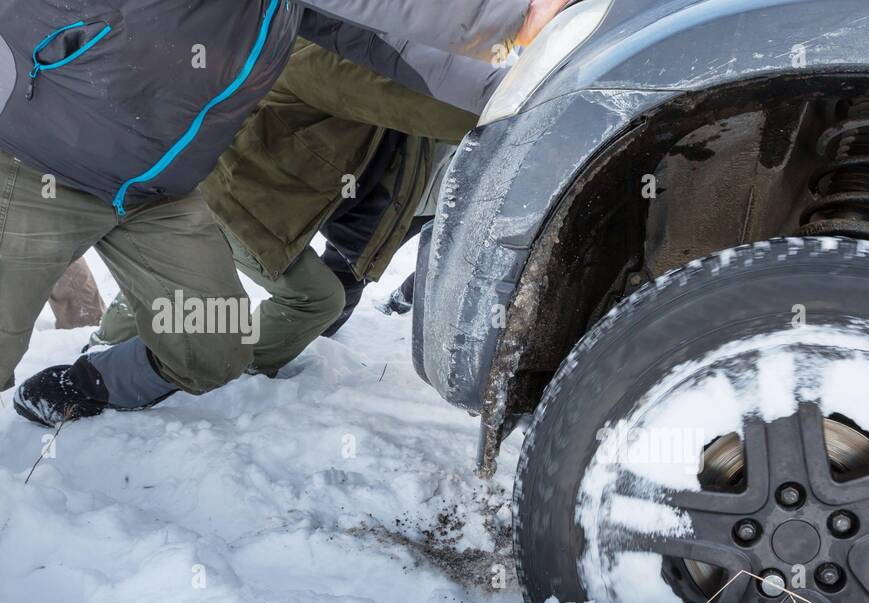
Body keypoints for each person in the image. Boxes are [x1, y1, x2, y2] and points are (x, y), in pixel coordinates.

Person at [0, 0, 567, 425]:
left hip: (159, 195)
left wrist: (536, 90)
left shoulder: (287, 16)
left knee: (213, 347)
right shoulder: (310, 53)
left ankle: (100, 373)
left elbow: (401, 53)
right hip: (53, 166)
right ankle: (109, 342)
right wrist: (517, 14)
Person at [93, 41, 485, 377]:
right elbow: (408, 103)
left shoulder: (338, 44)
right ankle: (239, 370)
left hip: (238, 196)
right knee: (315, 300)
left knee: (176, 274)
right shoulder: (330, 59)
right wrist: (510, 107)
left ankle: (111, 340)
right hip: (233, 202)